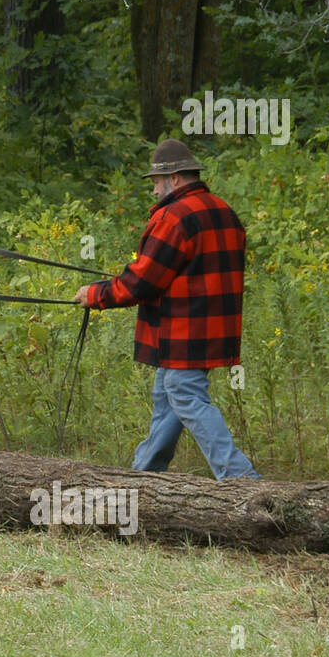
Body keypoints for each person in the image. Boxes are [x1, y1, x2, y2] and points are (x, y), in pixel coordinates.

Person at [74, 139, 260, 479]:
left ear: (174, 178)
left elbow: (142, 282)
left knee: (184, 394)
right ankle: (145, 475)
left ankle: (241, 478)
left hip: (184, 332)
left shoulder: (174, 218)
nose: (155, 190)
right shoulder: (224, 211)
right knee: (168, 394)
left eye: (157, 182)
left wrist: (96, 295)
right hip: (212, 330)